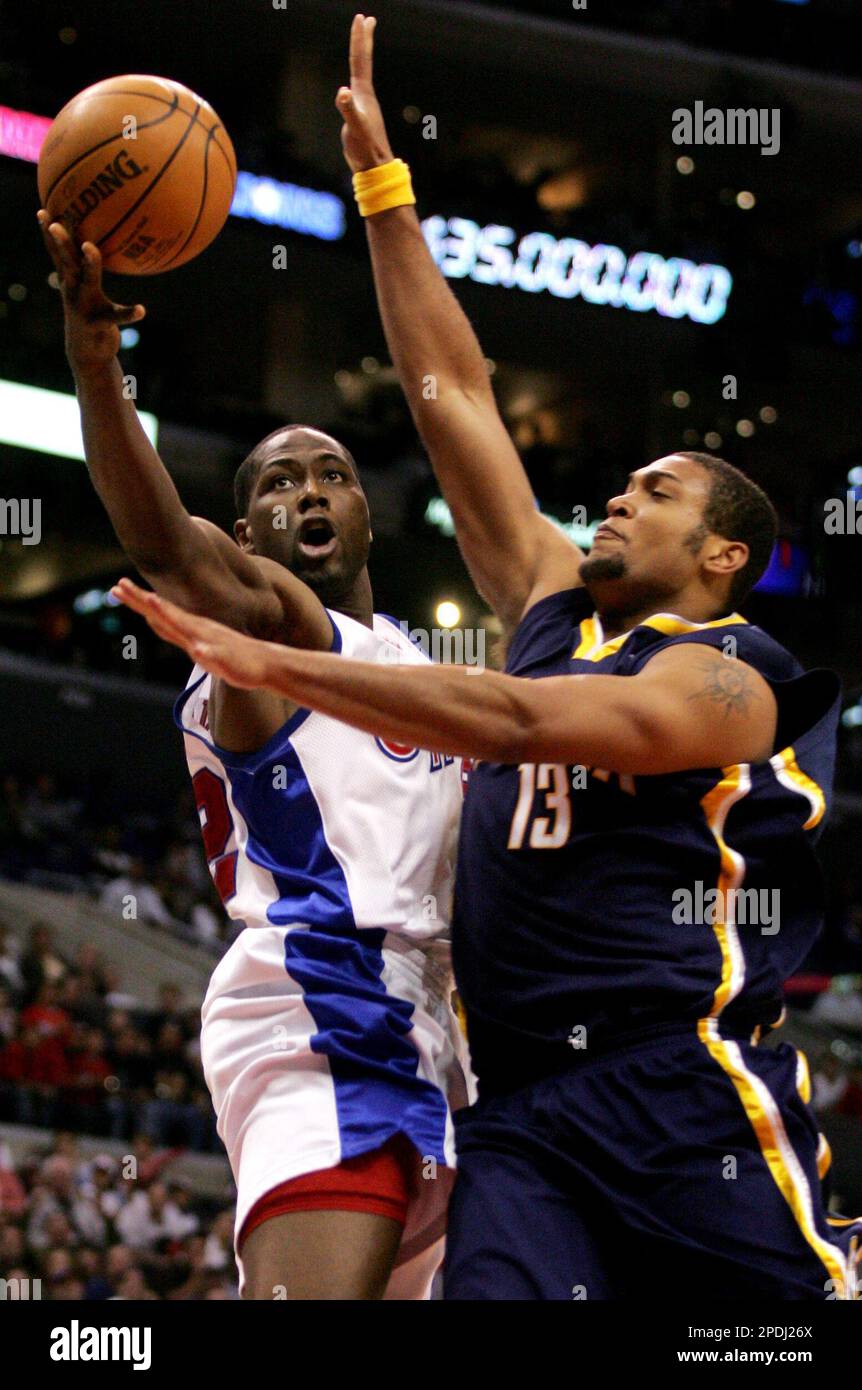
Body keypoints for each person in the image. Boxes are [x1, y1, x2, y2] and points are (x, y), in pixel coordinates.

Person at [113, 12, 861, 1300]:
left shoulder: (730, 674)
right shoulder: (551, 604)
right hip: (514, 1102)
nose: (618, 498)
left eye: (659, 490)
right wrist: (385, 192)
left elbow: (513, 726)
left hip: (677, 1082)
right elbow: (451, 394)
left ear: (724, 552)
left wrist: (281, 665)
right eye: (622, 482)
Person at [37, 123, 472, 1296]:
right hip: (318, 1013)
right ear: (248, 537)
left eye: (330, 472)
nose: (309, 491)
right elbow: (164, 545)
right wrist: (93, 366)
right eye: (278, 482)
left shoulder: (418, 667)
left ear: (369, 516)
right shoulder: (269, 634)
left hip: (429, 1042)